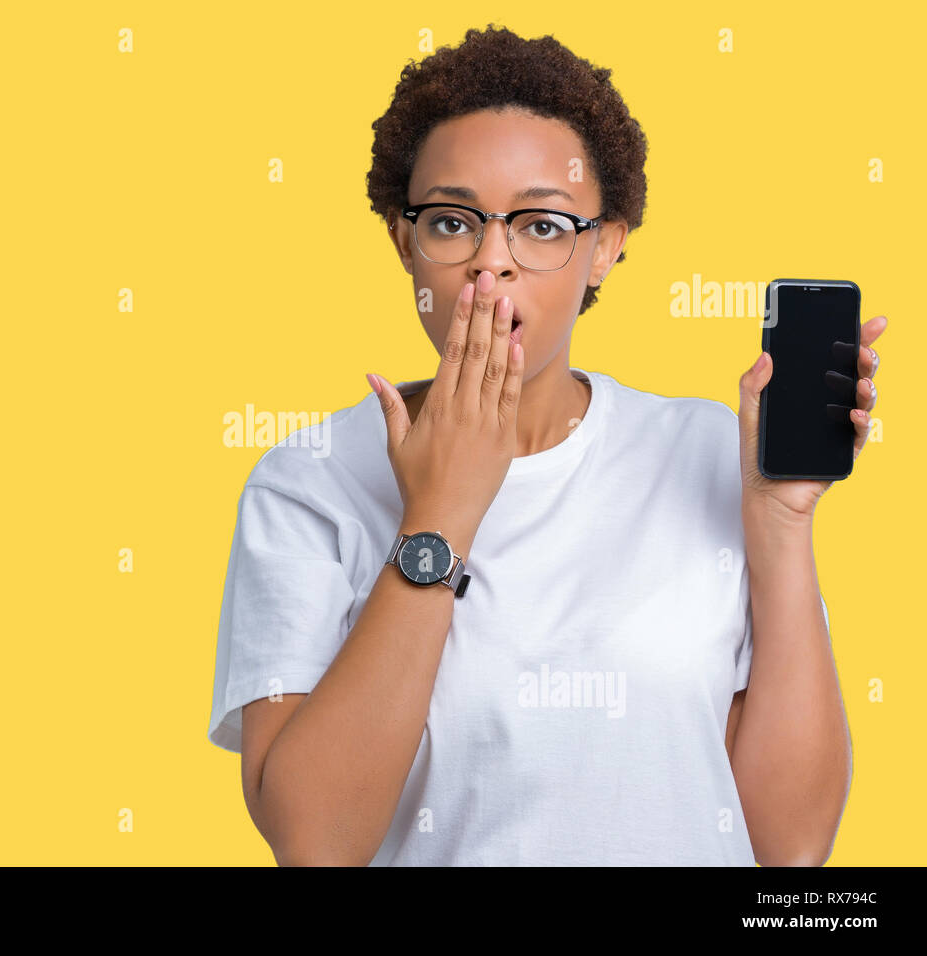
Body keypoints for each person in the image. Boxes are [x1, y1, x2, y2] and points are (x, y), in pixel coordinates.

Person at [207, 24, 878, 866]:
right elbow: (316, 843)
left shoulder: (709, 455)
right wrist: (440, 515)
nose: (491, 263)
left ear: (604, 249)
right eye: (451, 222)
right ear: (404, 243)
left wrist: (780, 527)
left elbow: (789, 846)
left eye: (543, 226)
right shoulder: (308, 482)